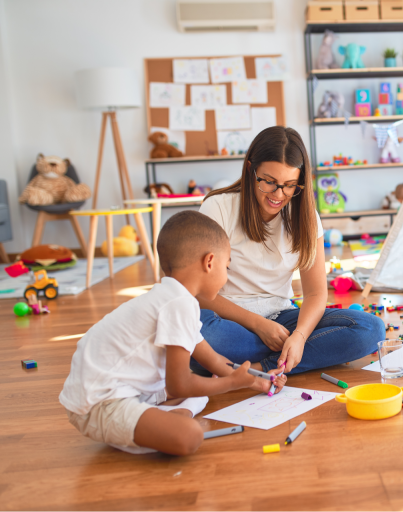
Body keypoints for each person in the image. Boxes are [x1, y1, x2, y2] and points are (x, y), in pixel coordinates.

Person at [59, 211, 287, 456]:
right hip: (99, 403)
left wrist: (259, 382)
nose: (226, 277)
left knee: (203, 392)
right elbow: (179, 385)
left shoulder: (174, 298)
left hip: (116, 388)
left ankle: (164, 417)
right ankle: (161, 421)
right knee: (189, 435)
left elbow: (214, 360)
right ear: (210, 262)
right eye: (227, 266)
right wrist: (231, 384)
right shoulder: (178, 303)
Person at [193, 126, 384, 376]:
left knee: (371, 329)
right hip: (229, 321)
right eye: (270, 183)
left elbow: (316, 294)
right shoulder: (217, 207)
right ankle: (286, 359)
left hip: (282, 319)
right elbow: (198, 291)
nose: (279, 195)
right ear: (251, 170)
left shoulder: (305, 216)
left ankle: (262, 367)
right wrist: (258, 325)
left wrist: (300, 337)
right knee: (200, 332)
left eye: (290, 185)